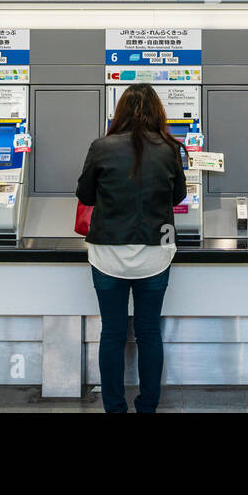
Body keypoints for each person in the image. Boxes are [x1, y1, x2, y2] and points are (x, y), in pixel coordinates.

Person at [76, 83, 187, 413]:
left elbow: (85, 195)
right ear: (158, 112)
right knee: (149, 333)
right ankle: (147, 406)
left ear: (120, 111)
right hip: (157, 251)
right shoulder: (170, 148)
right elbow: (178, 196)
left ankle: (114, 407)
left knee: (111, 332)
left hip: (108, 253)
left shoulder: (101, 147)